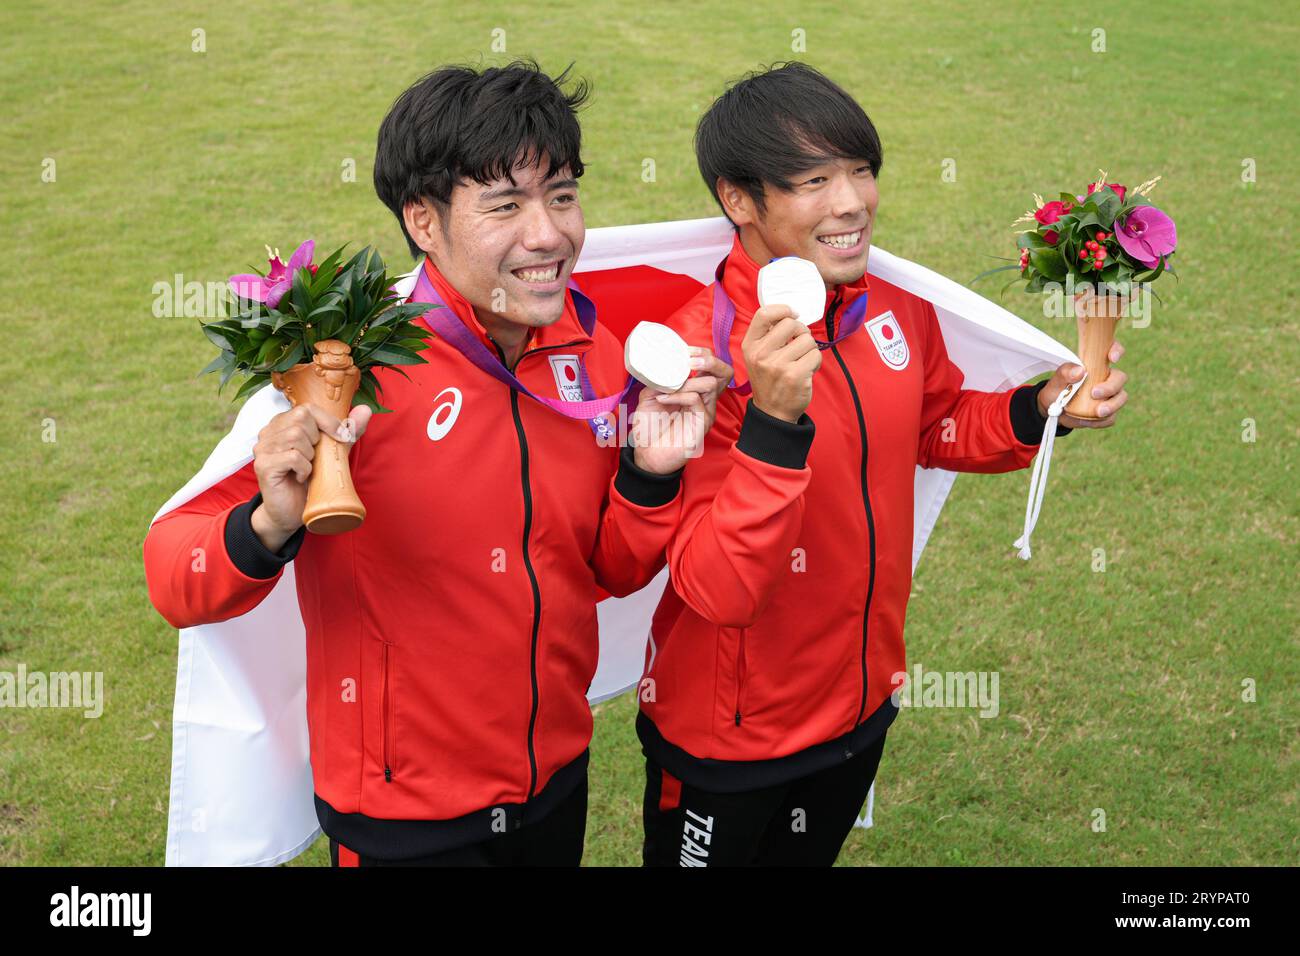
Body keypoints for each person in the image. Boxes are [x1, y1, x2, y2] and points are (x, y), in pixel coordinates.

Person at [145, 60, 731, 866]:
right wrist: (267, 523)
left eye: (562, 195)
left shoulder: (590, 358)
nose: (549, 233)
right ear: (423, 221)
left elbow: (605, 570)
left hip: (555, 778)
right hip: (405, 819)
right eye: (506, 205)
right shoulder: (346, 374)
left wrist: (649, 475)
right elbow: (173, 574)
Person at [637, 62, 1130, 866]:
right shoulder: (698, 363)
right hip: (725, 742)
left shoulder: (894, 307)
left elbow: (934, 424)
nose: (852, 202)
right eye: (813, 180)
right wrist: (771, 418)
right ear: (739, 200)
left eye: (861, 170)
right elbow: (717, 588)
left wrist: (1040, 410)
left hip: (859, 708)